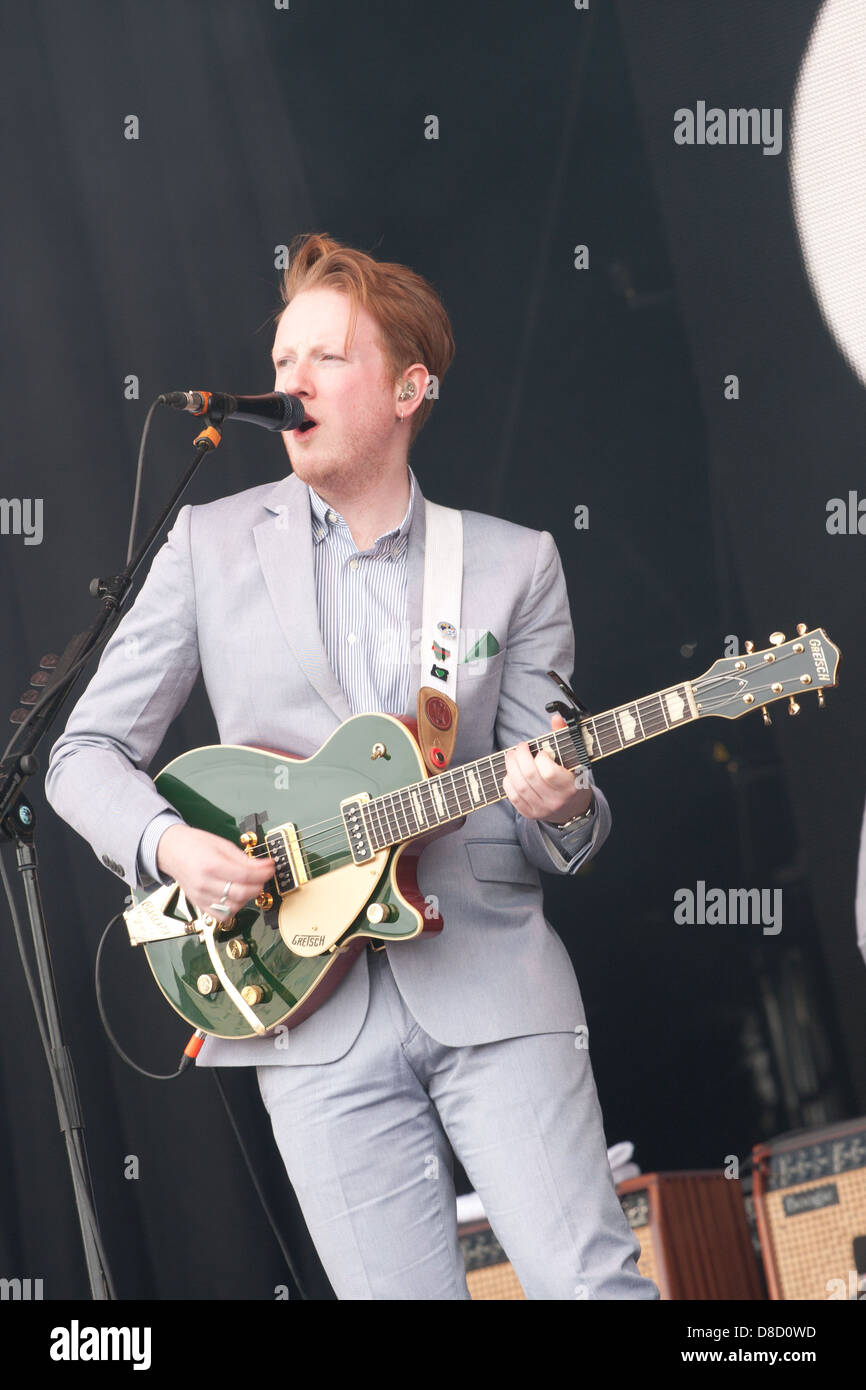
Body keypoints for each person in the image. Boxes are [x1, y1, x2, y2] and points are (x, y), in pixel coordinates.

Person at [45, 233, 658, 1301]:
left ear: (409, 388)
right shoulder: (208, 544)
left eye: (324, 359)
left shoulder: (511, 564)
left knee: (591, 1287)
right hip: (302, 1021)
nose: (289, 383)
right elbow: (82, 754)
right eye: (282, 362)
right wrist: (169, 844)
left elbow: (547, 805)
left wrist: (561, 805)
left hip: (493, 991)